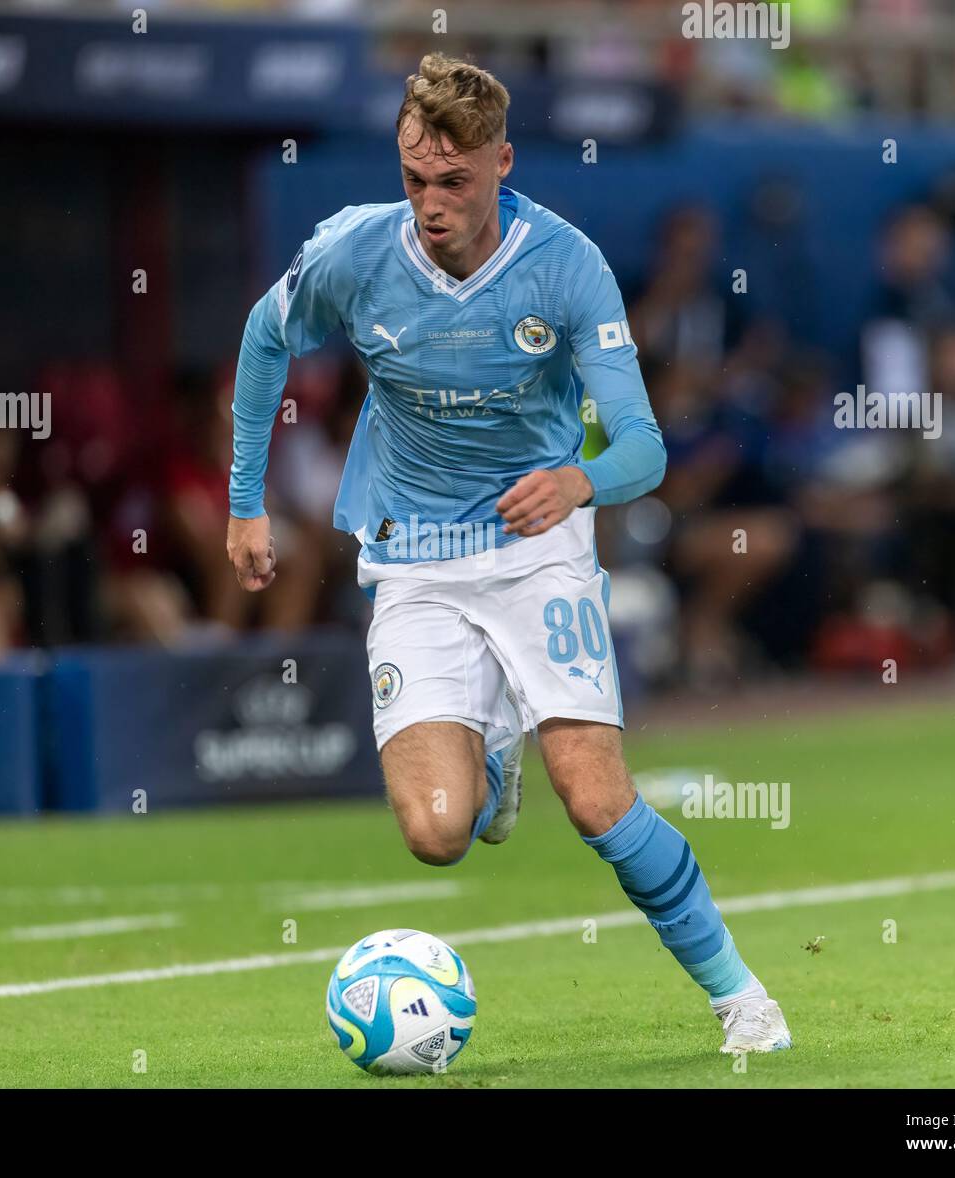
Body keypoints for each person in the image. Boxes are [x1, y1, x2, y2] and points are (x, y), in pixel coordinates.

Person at [226, 53, 791, 1055]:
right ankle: (492, 751)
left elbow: (643, 448)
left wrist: (578, 480)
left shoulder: (564, 264)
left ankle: (739, 996)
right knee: (437, 833)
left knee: (594, 792)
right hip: (413, 554)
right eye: (414, 179)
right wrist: (245, 504)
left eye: (454, 180)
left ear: (502, 163)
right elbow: (265, 337)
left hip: (536, 549)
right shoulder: (355, 252)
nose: (431, 203)